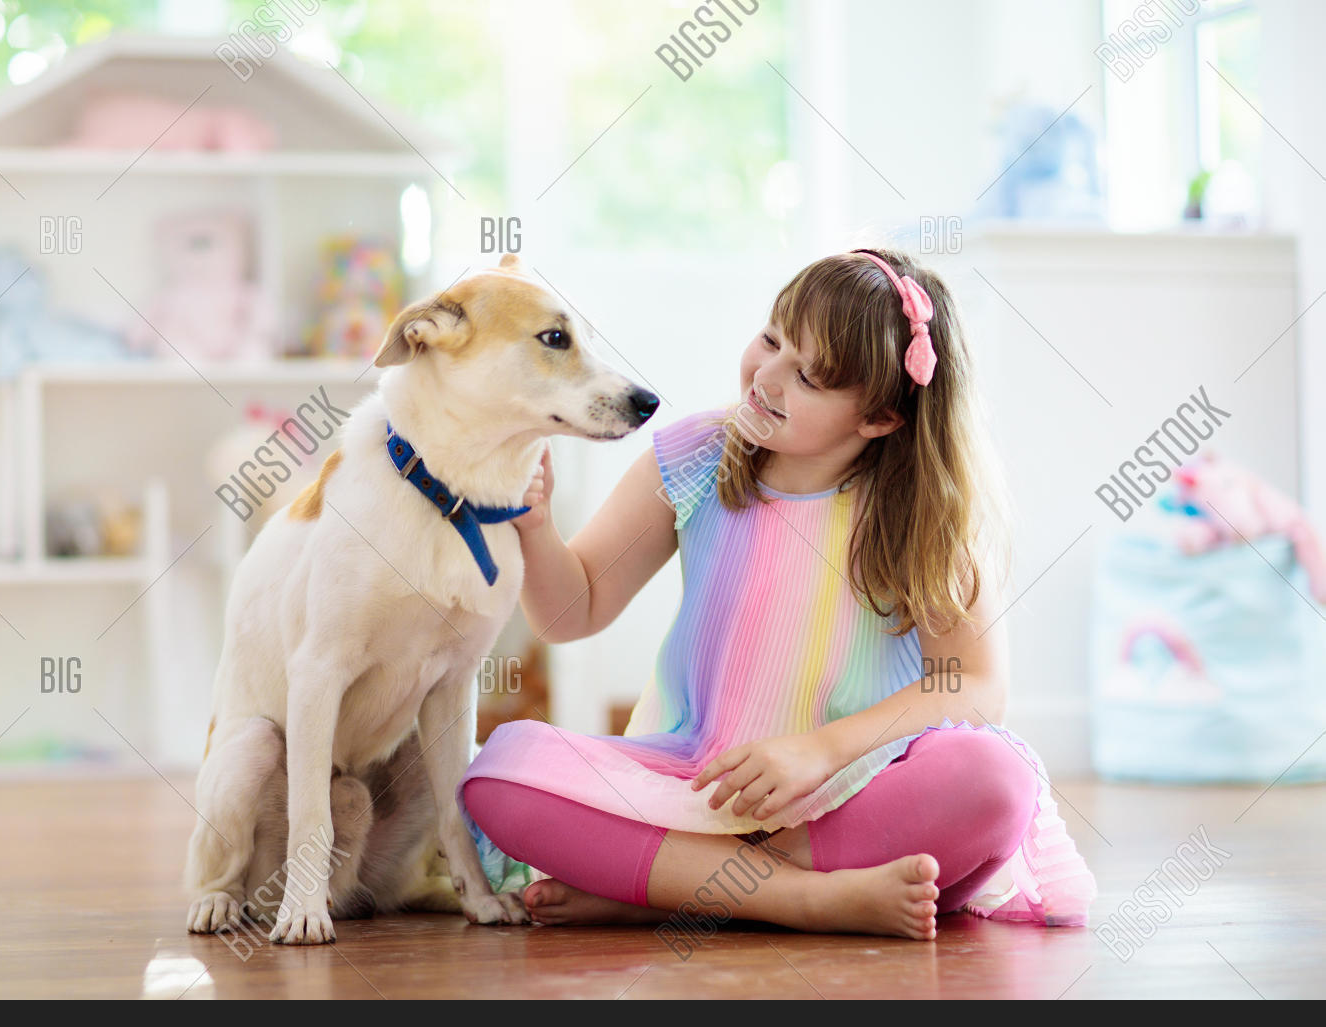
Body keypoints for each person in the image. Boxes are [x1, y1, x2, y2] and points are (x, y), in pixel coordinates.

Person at [459, 249, 1096, 939]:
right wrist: (535, 527)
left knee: (991, 778)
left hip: (853, 786)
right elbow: (569, 611)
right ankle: (800, 899)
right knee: (501, 770)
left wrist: (818, 752)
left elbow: (972, 686)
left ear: (879, 417)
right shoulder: (698, 457)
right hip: (696, 782)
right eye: (771, 338)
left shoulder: (923, 510)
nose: (765, 376)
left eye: (809, 376)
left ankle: (675, 888)